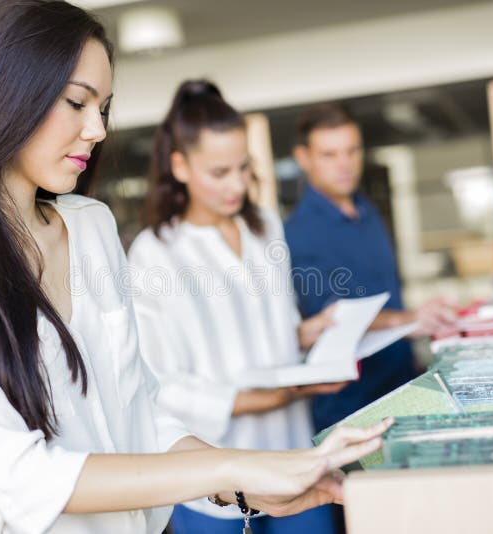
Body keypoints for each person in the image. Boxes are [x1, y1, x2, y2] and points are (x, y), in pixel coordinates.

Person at [0, 3, 391, 533]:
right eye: (77, 103)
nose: (97, 130)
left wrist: (242, 484)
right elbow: (18, 476)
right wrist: (230, 470)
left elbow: (143, 416)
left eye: (102, 108)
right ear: (6, 96)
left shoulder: (92, 226)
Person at [128, 80, 347, 534]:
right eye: (219, 171)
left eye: (243, 168)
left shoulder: (265, 227)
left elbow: (277, 327)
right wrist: (265, 398)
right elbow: (159, 383)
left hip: (292, 459)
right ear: (180, 166)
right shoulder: (156, 251)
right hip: (214, 480)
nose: (236, 185)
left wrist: (313, 333)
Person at [285, 103, 456, 433]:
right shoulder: (299, 233)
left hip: (402, 390)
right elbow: (334, 316)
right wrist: (411, 320)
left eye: (351, 151)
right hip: (351, 410)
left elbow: (388, 297)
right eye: (329, 155)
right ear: (303, 158)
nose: (344, 164)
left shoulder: (368, 212)